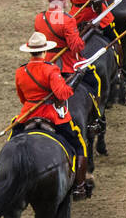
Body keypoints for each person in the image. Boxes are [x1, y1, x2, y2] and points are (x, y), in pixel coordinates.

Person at [13, 31, 90, 198]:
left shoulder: (21, 72)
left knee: (12, 143)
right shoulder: (51, 69)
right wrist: (75, 81)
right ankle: (79, 186)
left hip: (27, 114)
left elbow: (22, 97)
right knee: (80, 145)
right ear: (45, 51)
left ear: (30, 51)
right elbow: (62, 95)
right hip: (51, 115)